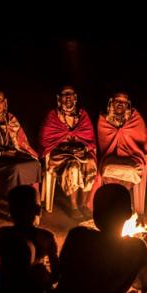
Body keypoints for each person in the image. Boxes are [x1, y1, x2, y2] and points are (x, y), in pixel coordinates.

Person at [51, 184, 147, 293]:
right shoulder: (137, 249)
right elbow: (139, 284)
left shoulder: (78, 236)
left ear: (95, 214)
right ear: (129, 213)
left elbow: (57, 274)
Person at [0, 185, 59, 293]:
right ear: (38, 210)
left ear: (10, 212)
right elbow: (56, 276)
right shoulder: (47, 238)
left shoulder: (0, 234)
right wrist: (42, 276)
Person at [39, 85, 97, 218]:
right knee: (73, 166)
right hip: (60, 155)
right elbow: (45, 139)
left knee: (90, 163)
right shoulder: (53, 116)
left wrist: (82, 148)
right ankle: (73, 206)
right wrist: (67, 148)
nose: (68, 97)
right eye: (65, 94)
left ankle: (83, 204)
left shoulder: (83, 115)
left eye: (71, 94)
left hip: (80, 153)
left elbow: (90, 138)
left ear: (75, 98)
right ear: (59, 99)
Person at [0, 91, 40, 196]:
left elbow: (21, 141)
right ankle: (13, 199)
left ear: (5, 102)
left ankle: (34, 201)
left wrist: (22, 153)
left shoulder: (11, 118)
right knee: (16, 168)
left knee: (35, 163)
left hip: (12, 156)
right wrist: (2, 153)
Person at [97, 92, 147, 189]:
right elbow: (103, 146)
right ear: (111, 102)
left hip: (132, 158)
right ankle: (112, 195)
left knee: (133, 171)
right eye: (117, 100)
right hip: (110, 157)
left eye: (124, 102)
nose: (120, 104)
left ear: (128, 104)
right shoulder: (104, 120)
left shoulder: (135, 118)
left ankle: (123, 195)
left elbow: (143, 140)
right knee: (106, 168)